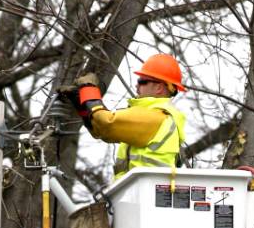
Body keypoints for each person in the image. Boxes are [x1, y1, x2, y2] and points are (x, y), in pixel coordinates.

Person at [58, 53, 187, 178]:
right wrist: (80, 101)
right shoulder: (154, 115)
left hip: (141, 192)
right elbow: (100, 130)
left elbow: (106, 123)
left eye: (142, 81)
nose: (137, 85)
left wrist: (88, 88)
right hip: (136, 190)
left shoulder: (156, 117)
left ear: (159, 87)